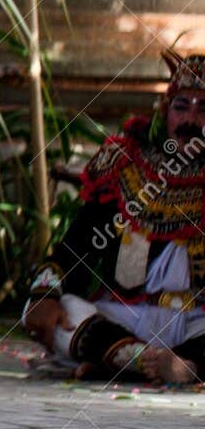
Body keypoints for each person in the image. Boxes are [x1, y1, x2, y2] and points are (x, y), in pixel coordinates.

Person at [24, 48, 205, 385]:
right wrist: (43, 296)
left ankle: (169, 364)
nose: (191, 120)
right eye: (182, 107)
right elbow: (74, 249)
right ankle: (140, 360)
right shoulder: (125, 167)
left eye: (203, 109)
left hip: (198, 323)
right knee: (60, 313)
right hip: (126, 319)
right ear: (165, 111)